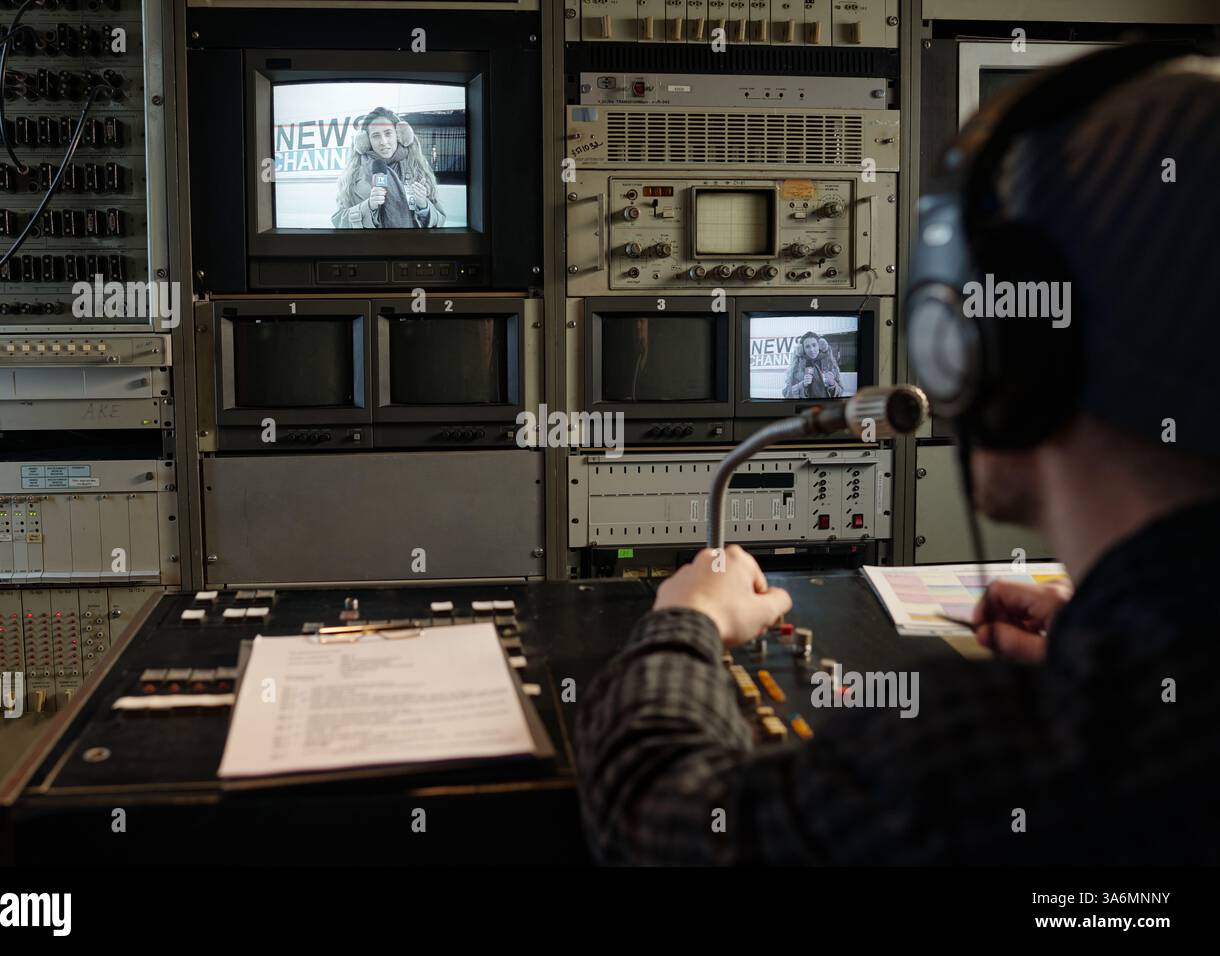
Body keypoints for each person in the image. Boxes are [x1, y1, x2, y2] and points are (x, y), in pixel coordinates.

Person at [574, 46, 1220, 864]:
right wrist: (1108, 650)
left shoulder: (995, 751)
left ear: (979, 349)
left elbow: (657, 816)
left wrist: (683, 623)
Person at [331, 107, 447, 229]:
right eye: (376, 136)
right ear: (366, 141)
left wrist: (424, 206)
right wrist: (368, 207)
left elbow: (440, 220)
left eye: (388, 133)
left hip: (413, 246)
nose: (383, 142)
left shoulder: (416, 168)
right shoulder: (354, 174)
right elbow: (339, 220)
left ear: (399, 134)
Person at [780, 332, 844, 399]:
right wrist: (802, 385)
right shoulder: (796, 367)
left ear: (820, 345)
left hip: (826, 406)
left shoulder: (830, 363)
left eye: (814, 345)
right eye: (807, 346)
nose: (811, 350)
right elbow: (787, 394)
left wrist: (832, 384)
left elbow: (840, 392)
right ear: (802, 349)